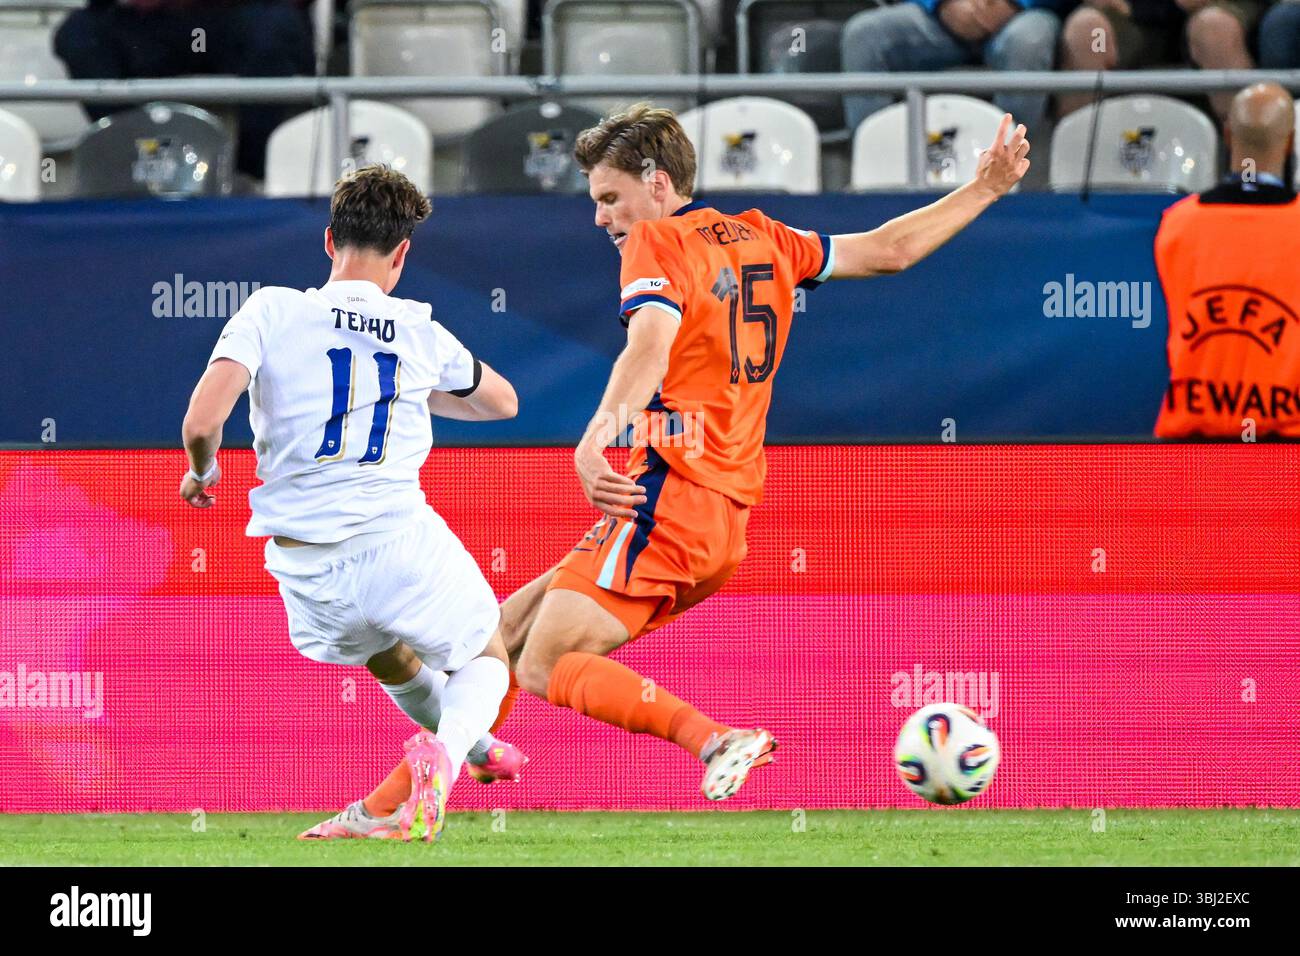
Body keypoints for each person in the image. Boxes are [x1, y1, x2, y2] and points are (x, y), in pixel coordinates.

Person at [336, 103, 1031, 819]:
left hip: (667, 495)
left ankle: (714, 740)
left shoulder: (658, 243)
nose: (603, 218)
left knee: (542, 662)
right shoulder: (767, 237)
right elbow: (889, 249)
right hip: (721, 518)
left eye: (610, 198)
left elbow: (651, 344)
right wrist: (984, 188)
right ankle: (384, 810)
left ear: (658, 182)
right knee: (503, 638)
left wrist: (596, 434)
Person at [180, 165, 525, 843]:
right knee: (488, 657)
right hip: (395, 539)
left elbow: (200, 423)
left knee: (388, 657)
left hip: (304, 566)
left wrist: (202, 472)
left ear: (330, 240)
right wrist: (411, 385)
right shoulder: (419, 330)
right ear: (402, 253)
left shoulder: (271, 309)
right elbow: (503, 403)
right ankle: (448, 760)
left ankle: (478, 751)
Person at [1154, 82, 1300, 439]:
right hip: (1285, 450)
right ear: (1290, 141)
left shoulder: (1177, 223)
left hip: (1191, 446)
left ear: (1228, 134)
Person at [54, 0, 315, 180]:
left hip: (240, 17)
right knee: (79, 33)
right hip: (154, 24)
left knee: (275, 29)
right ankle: (141, 162)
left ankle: (250, 175)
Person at [840, 0, 1074, 136]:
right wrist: (942, 4)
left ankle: (1010, 175)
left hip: (1025, 14)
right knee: (864, 35)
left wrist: (1013, 4)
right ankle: (876, 177)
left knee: (1026, 42)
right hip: (943, 16)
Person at [1058, 0, 1266, 122]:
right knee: (1088, 31)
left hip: (1218, 8)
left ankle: (1246, 172)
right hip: (1126, 14)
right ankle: (1076, 175)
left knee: (1215, 29)